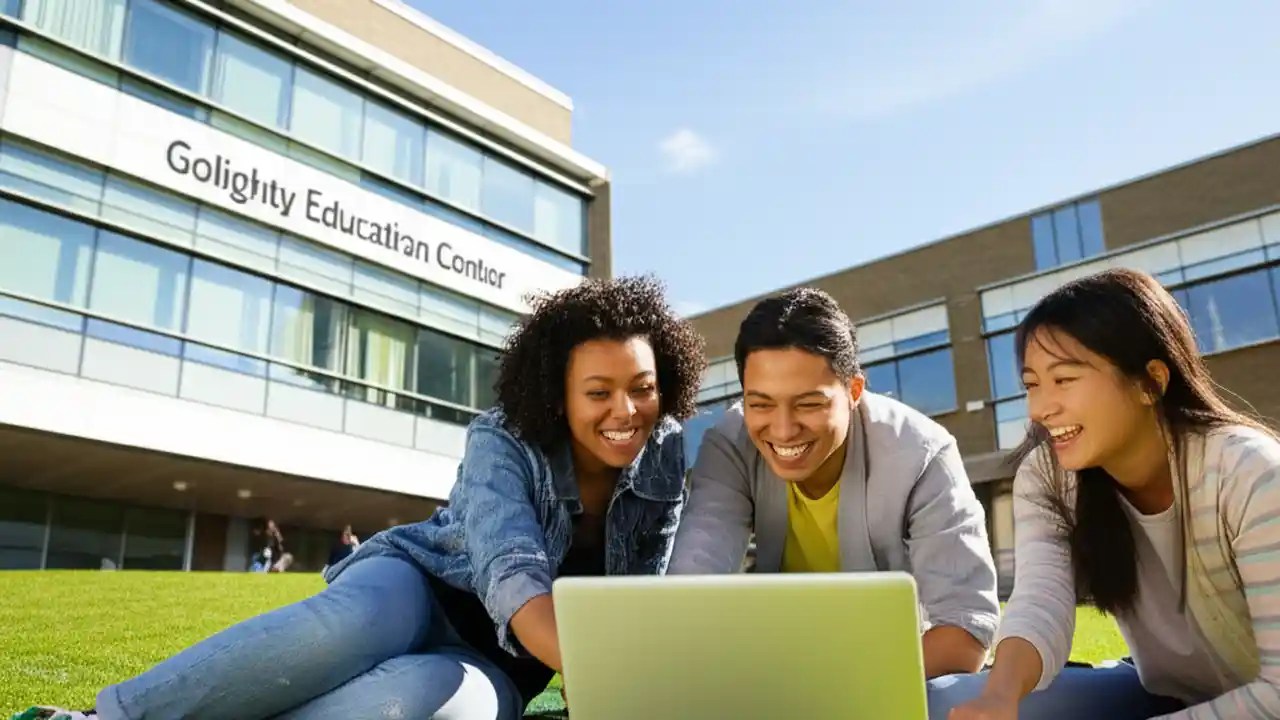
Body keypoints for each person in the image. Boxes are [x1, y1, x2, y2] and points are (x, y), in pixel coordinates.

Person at [24, 275, 706, 720]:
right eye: (598, 392)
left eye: (642, 387)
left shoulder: (668, 453)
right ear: (558, 394)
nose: (627, 410)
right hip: (420, 586)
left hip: (503, 664)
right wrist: (624, 672)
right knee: (352, 625)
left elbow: (632, 600)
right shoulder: (503, 438)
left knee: (422, 705)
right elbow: (513, 576)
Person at [930, 267, 1280, 719]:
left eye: (1064, 379)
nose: (1040, 409)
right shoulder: (1050, 477)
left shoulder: (1248, 471)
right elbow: (1041, 599)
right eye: (1032, 384)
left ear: (1150, 381)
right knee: (947, 701)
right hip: (1169, 695)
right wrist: (1000, 696)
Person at [668, 287, 1001, 681]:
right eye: (760, 404)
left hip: (896, 671)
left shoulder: (922, 454)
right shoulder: (731, 445)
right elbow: (691, 588)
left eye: (809, 404)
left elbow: (965, 632)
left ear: (854, 391)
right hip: (776, 667)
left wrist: (830, 691)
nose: (783, 429)